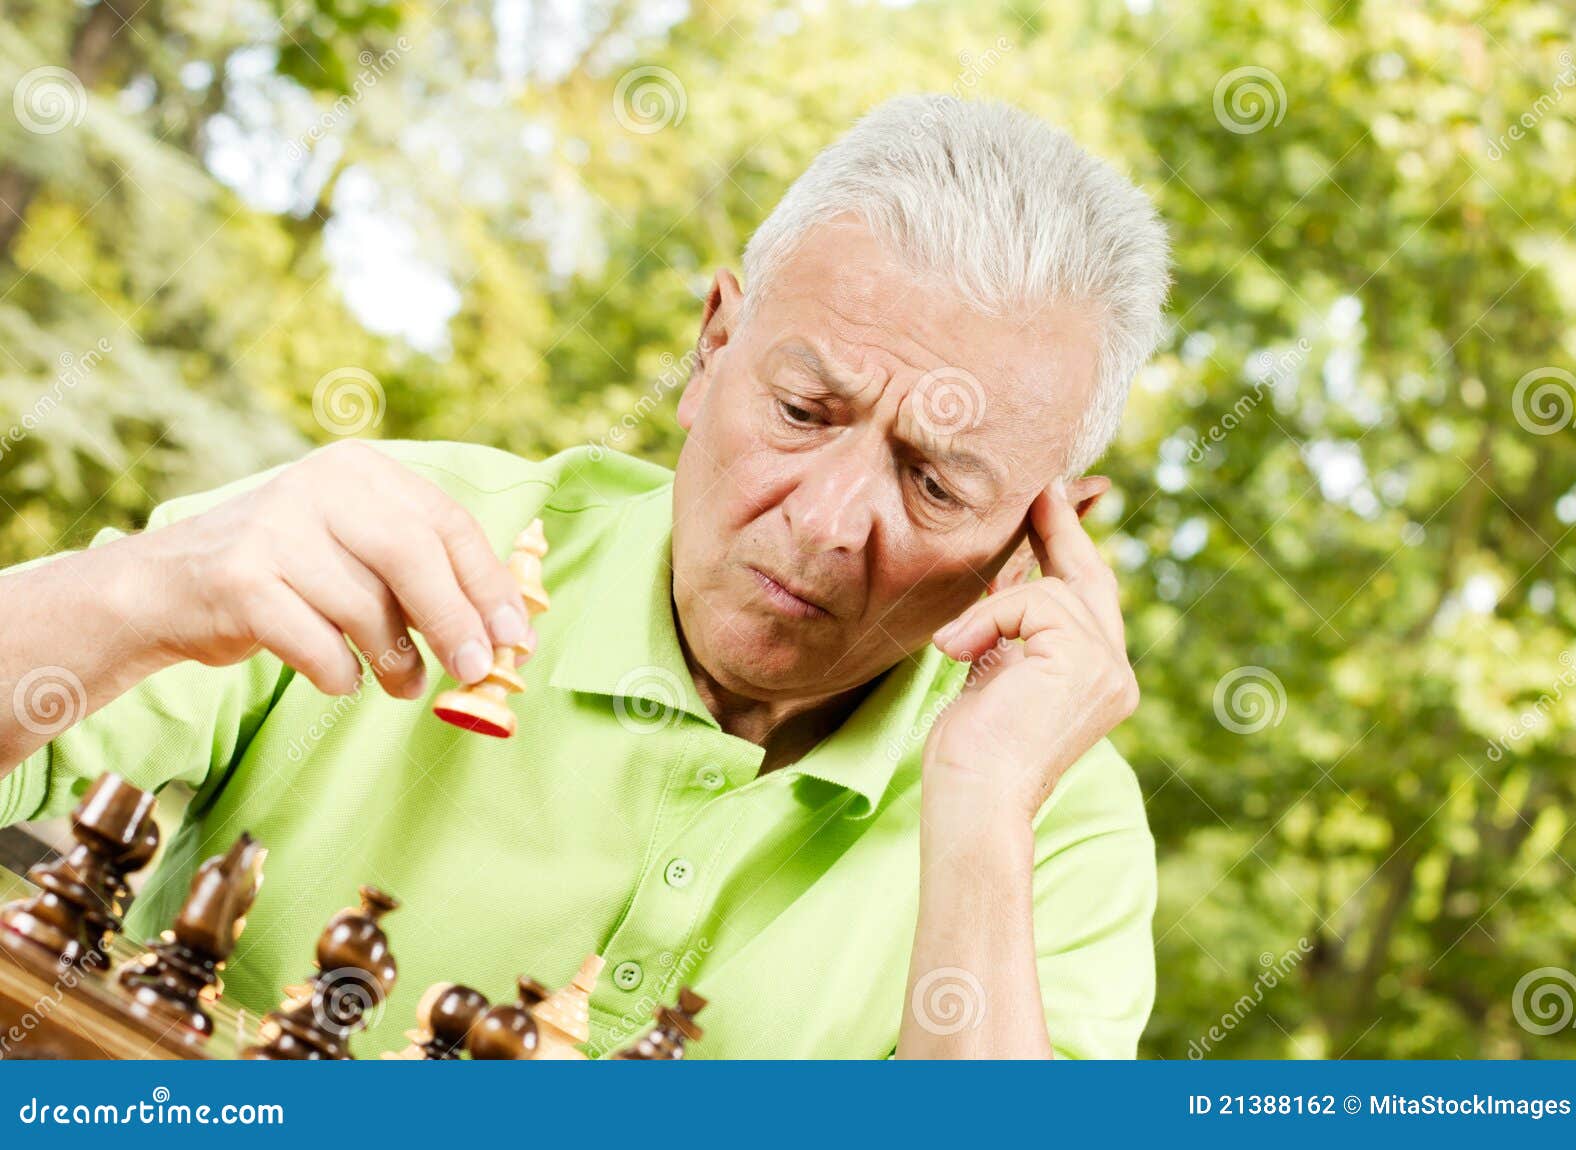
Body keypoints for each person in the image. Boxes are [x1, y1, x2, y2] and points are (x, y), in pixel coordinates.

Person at [0, 94, 1170, 1058]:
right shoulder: (393, 535)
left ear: (1041, 534)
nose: (824, 522)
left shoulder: (1052, 814)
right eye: (803, 410)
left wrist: (979, 804)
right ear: (712, 348)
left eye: (935, 486)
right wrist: (150, 590)